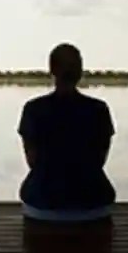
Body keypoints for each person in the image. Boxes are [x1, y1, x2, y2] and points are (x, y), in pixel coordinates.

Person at [17, 43, 116, 221]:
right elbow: (99, 160)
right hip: (94, 206)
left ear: (52, 70)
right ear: (80, 72)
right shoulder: (99, 109)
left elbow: (32, 161)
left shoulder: (33, 109)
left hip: (41, 207)